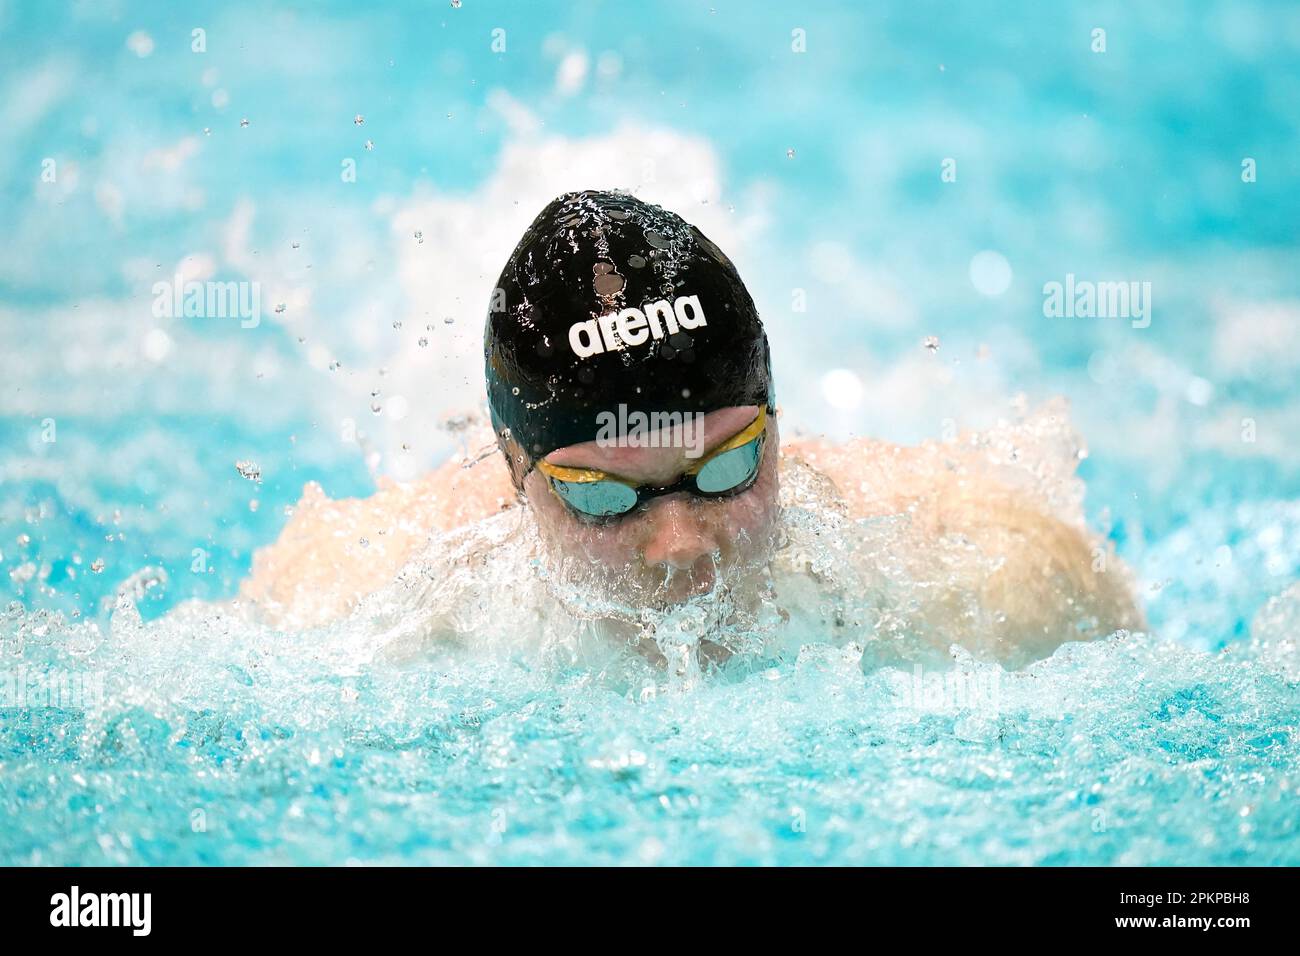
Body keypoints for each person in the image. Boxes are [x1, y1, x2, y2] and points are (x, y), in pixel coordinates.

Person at [240, 190, 1143, 667]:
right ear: (513, 471)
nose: (678, 547)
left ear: (779, 432)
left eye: (725, 470)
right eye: (604, 497)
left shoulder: (989, 573)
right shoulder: (350, 599)